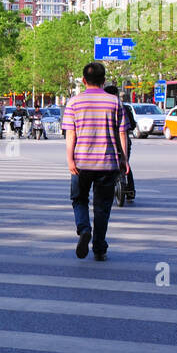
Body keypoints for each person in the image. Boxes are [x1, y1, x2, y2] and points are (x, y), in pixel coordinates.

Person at [61, 61, 129, 261]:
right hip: (108, 163)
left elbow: (70, 135)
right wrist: (123, 159)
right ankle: (99, 247)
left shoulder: (74, 102)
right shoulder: (115, 102)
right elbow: (121, 134)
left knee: (79, 199)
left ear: (83, 80)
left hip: (81, 162)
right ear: (104, 80)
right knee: (102, 206)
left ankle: (84, 229)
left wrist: (70, 160)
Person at [103, 85, 136, 200]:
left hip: (109, 142)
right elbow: (132, 125)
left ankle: (107, 189)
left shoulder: (105, 107)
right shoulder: (125, 108)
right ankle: (131, 190)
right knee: (125, 164)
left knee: (108, 168)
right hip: (124, 142)